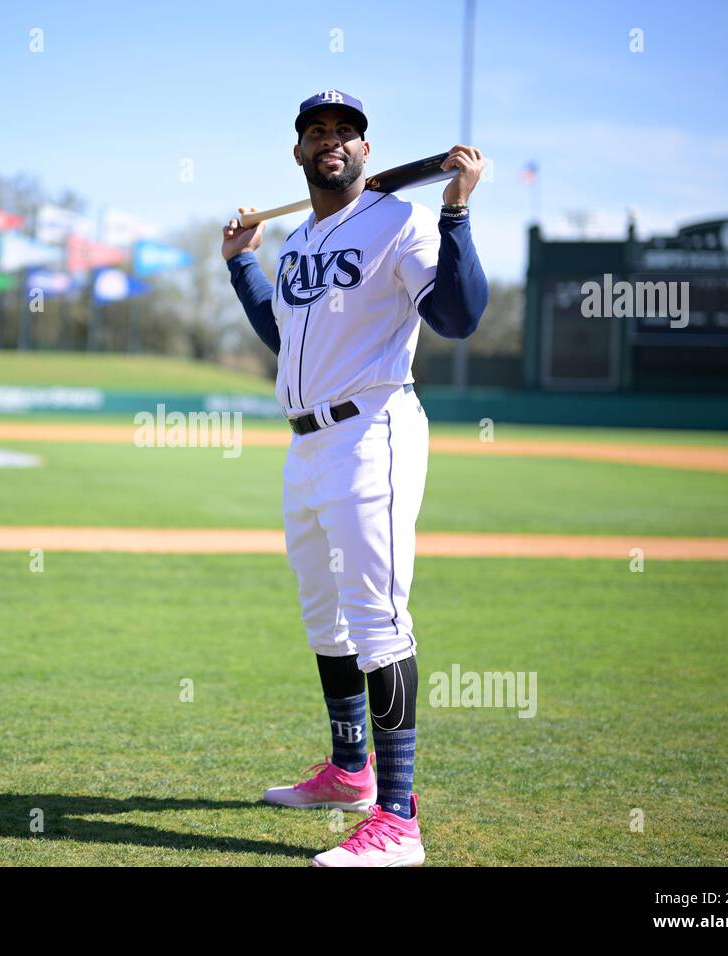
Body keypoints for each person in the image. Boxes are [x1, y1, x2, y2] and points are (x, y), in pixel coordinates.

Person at [220, 90, 488, 867]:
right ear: (298, 153)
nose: (331, 140)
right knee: (323, 618)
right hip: (305, 444)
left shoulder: (398, 223)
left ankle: (399, 821)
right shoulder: (302, 239)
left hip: (372, 433)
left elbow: (458, 317)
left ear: (366, 152)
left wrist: (457, 212)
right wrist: (243, 264)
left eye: (345, 132)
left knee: (377, 623)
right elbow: (285, 334)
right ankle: (349, 772)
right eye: (317, 132)